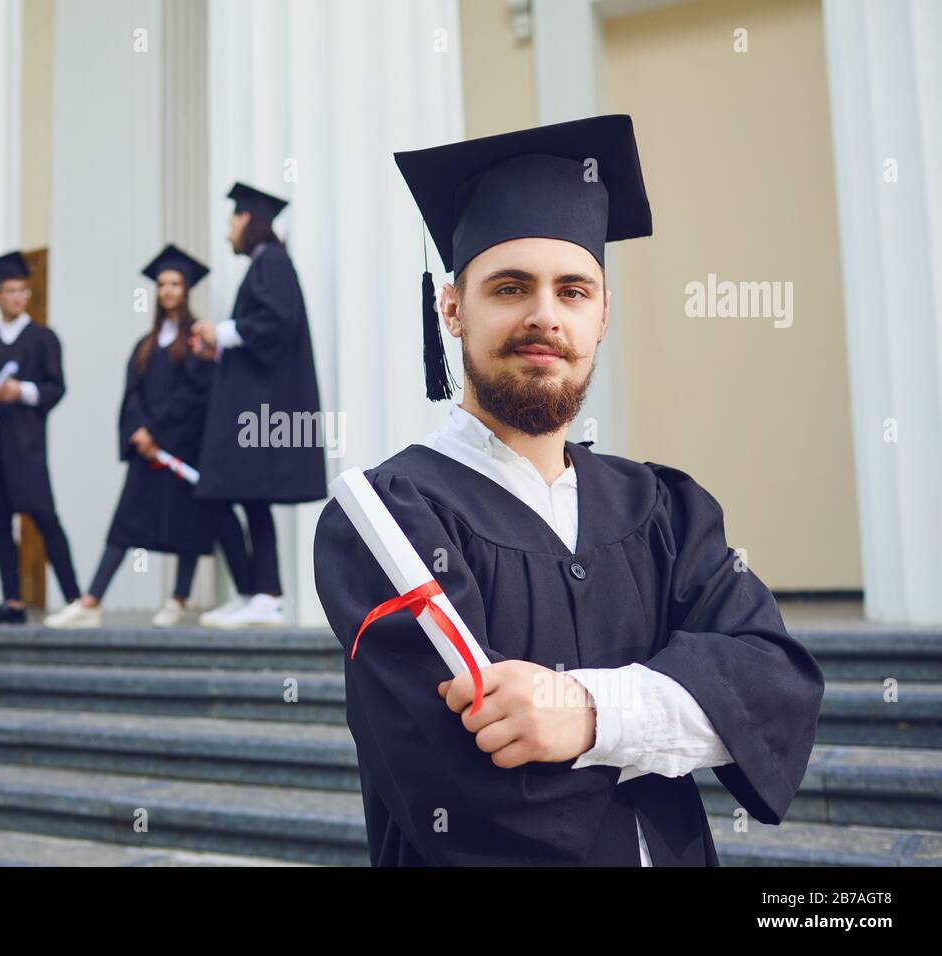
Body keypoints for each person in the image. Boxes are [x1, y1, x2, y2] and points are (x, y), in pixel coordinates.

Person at [312, 115, 824, 866]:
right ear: (452, 308)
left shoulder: (666, 509)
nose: (545, 316)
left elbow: (772, 686)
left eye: (574, 290)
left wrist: (587, 714)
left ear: (603, 315)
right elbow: (460, 788)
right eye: (511, 287)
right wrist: (675, 716)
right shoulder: (385, 519)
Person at [47, 245, 217, 629]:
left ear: (186, 289)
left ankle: (178, 598)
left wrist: (158, 433)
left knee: (185, 523)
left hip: (180, 448)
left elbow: (194, 393)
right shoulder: (145, 343)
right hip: (146, 449)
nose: (168, 290)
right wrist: (140, 433)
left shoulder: (196, 339)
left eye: (175, 283)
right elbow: (132, 393)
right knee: (125, 522)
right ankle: (91, 601)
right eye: (162, 284)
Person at [190, 183, 327, 628]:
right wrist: (221, 345)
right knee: (240, 498)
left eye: (232, 220)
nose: (228, 230)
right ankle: (257, 591)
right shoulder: (265, 263)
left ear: (247, 220)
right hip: (252, 405)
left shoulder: (272, 261)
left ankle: (264, 594)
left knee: (238, 496)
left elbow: (275, 323)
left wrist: (223, 332)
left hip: (259, 412)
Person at [0, 251, 82, 624]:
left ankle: (75, 599)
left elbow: (56, 387)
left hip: (26, 443)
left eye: (22, 290)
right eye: (9, 290)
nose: (17, 297)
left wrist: (23, 391)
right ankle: (13, 601)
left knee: (45, 517)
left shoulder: (42, 338)